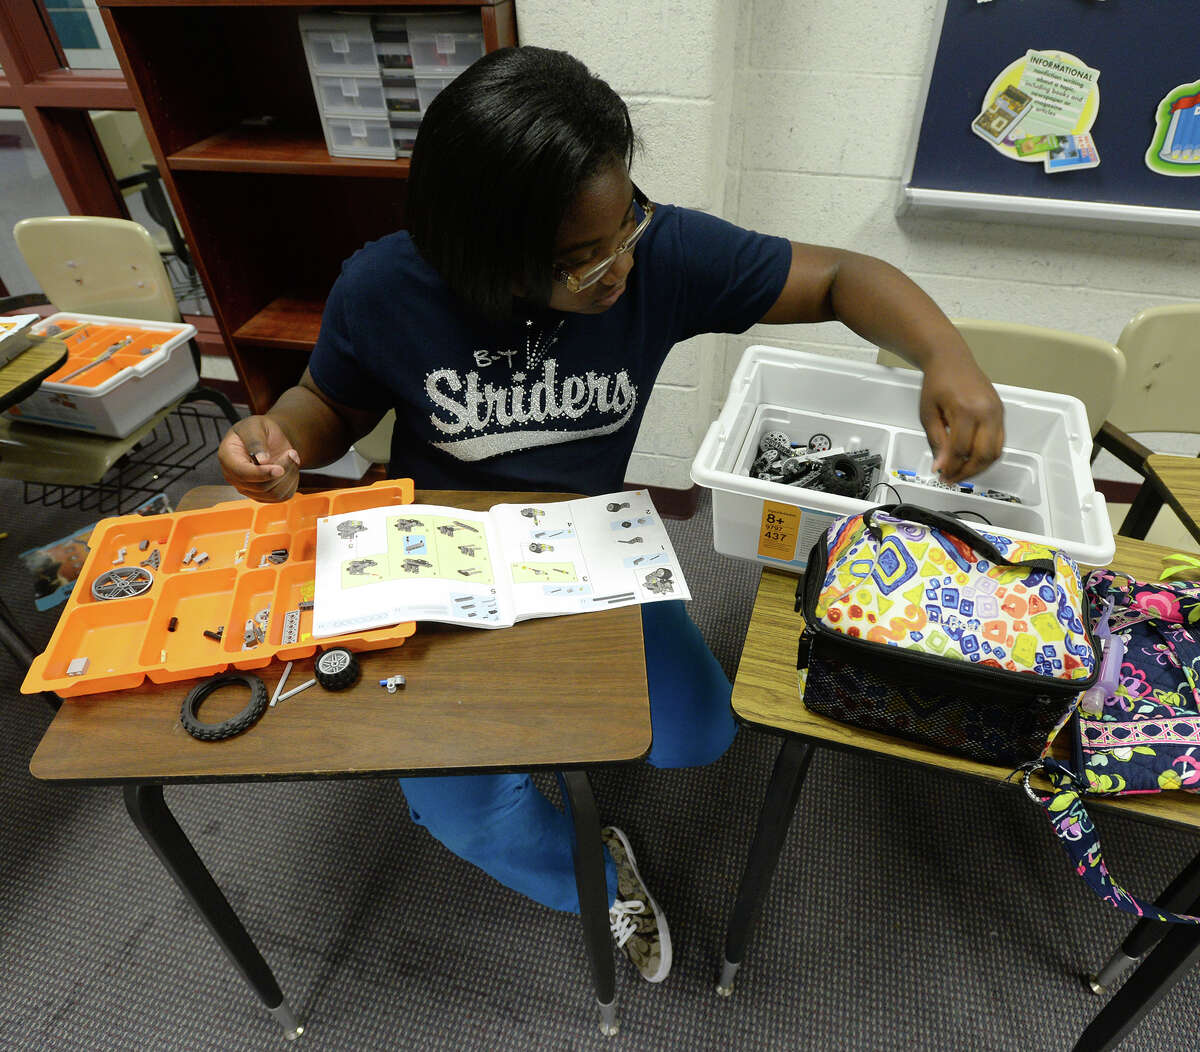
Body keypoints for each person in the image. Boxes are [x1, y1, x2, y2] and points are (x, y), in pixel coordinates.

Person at [218, 46, 1004, 984]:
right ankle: (595, 878)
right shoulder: (385, 287)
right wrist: (281, 439)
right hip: (443, 554)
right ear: (477, 258)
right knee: (467, 812)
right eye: (576, 261)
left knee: (699, 736)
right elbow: (328, 404)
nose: (615, 267)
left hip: (590, 545)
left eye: (624, 223)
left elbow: (840, 276)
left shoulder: (654, 254)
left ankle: (554, 754)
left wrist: (944, 353)